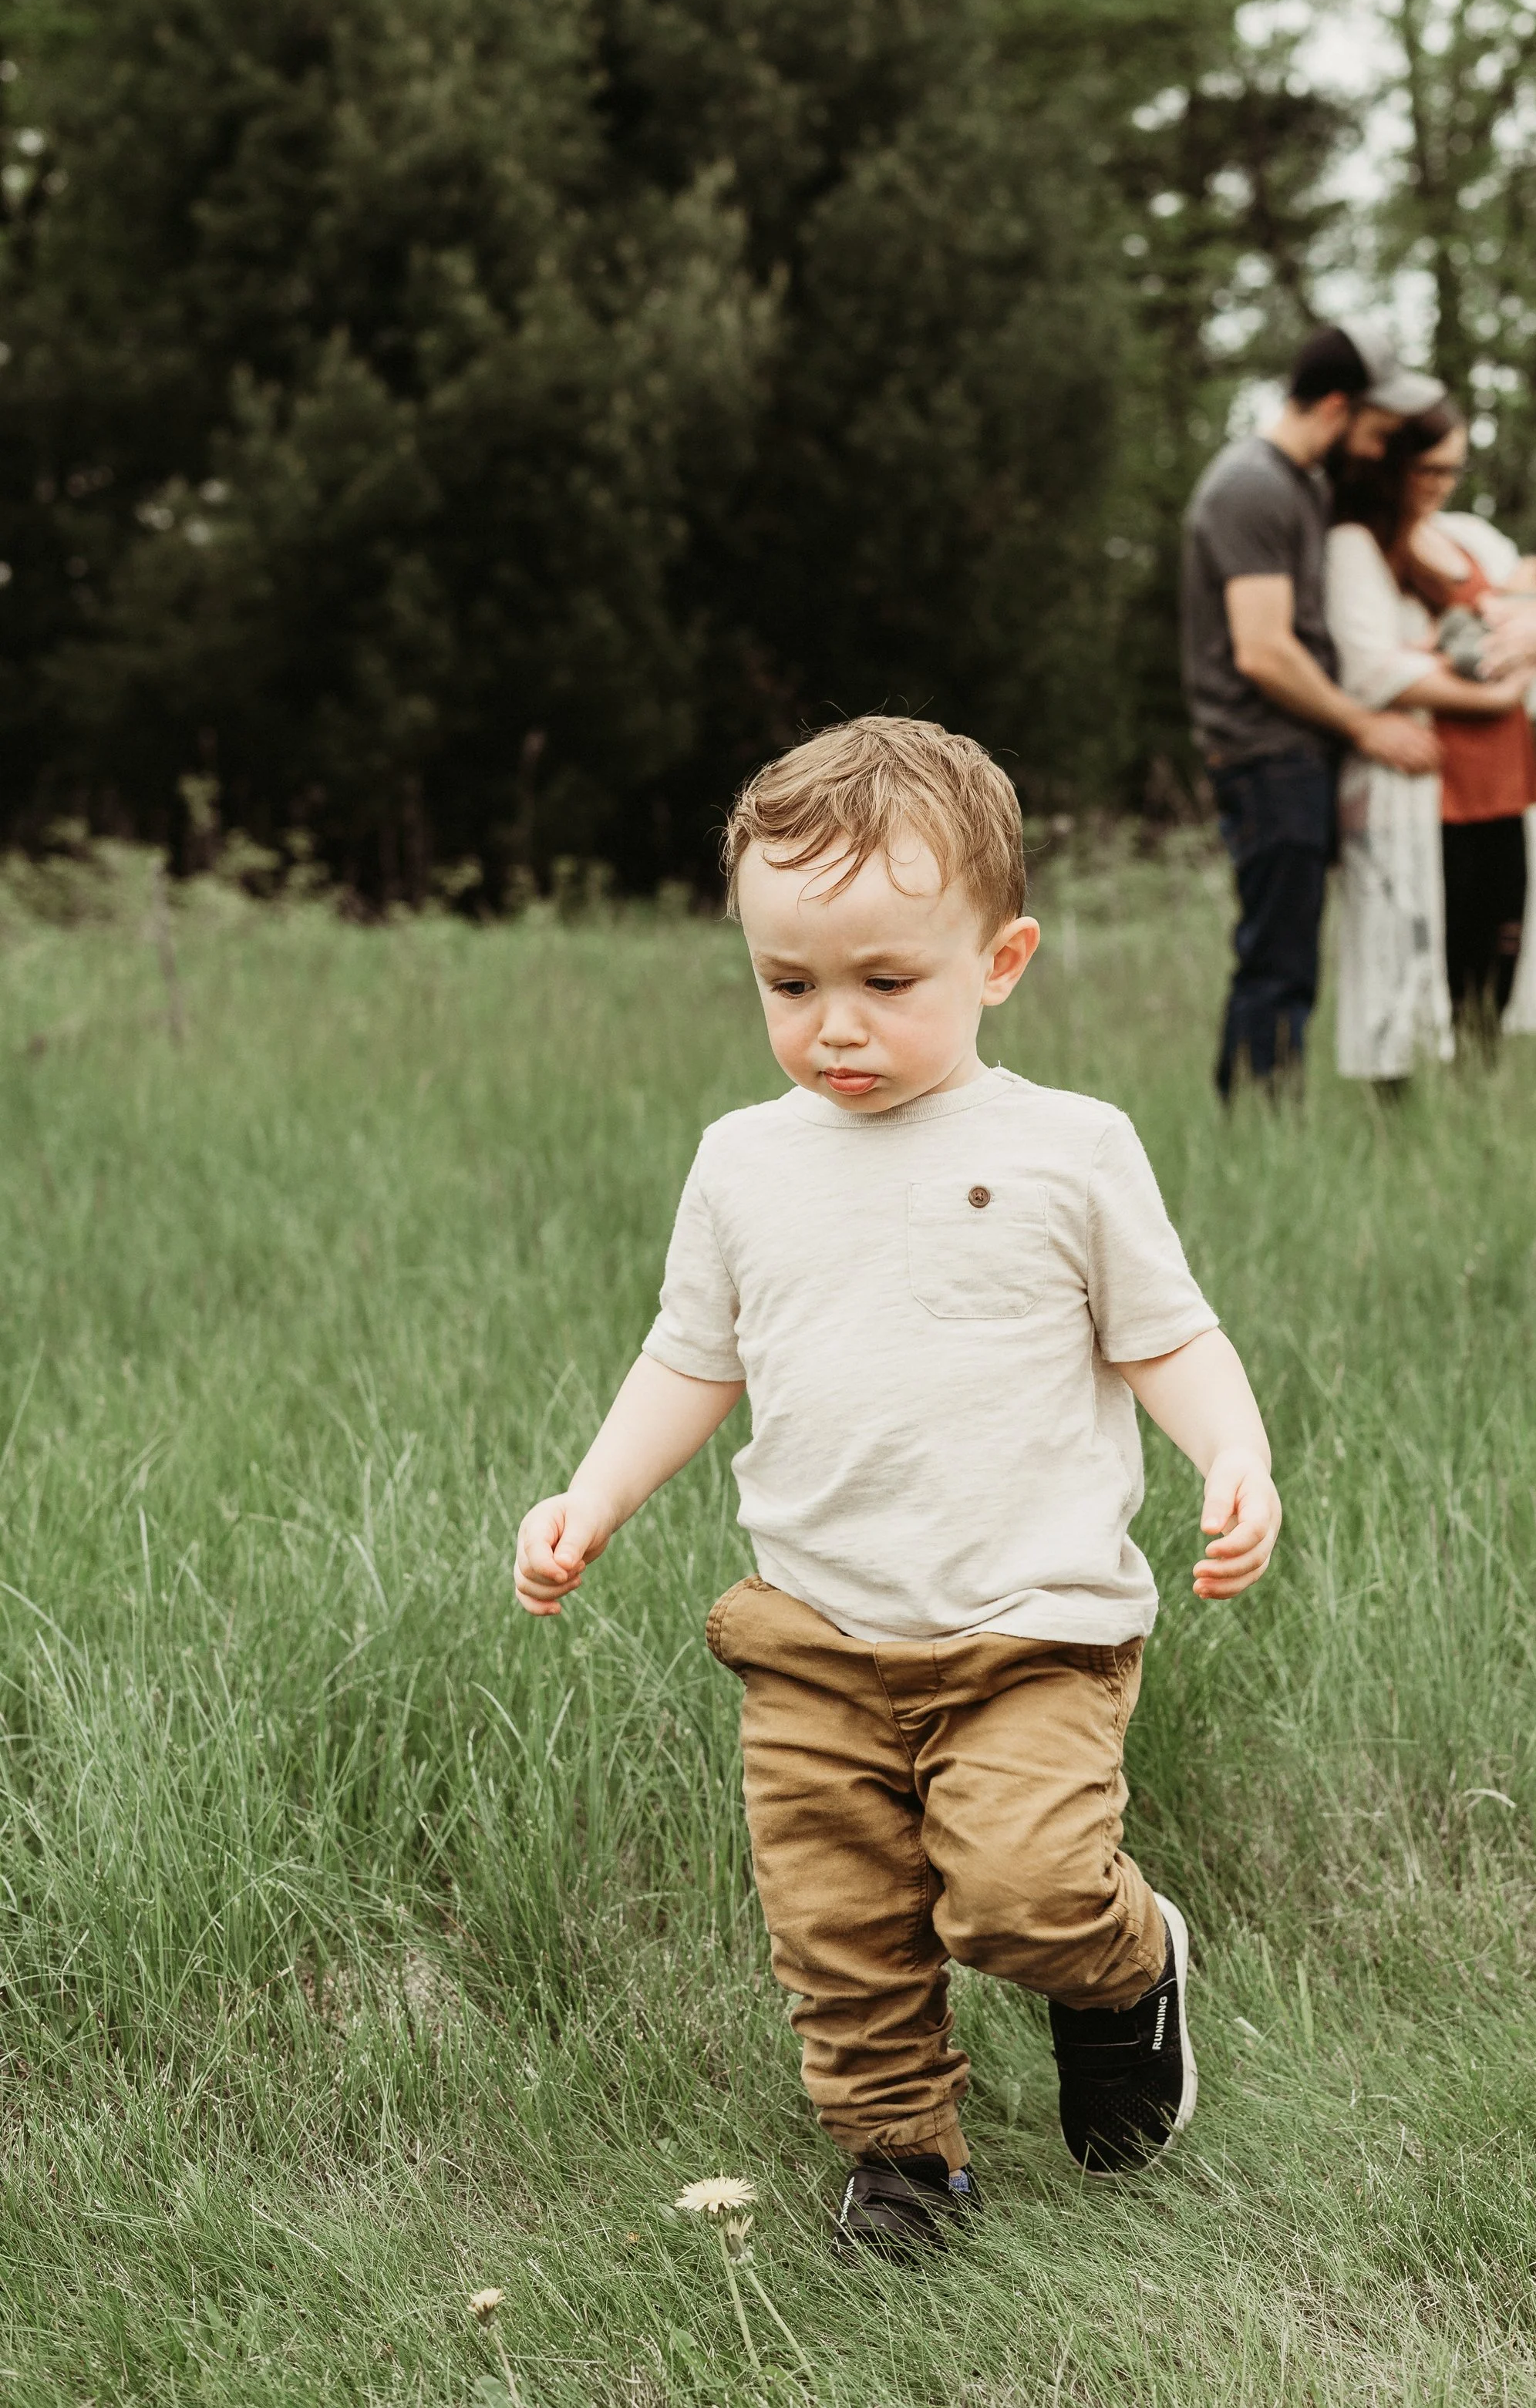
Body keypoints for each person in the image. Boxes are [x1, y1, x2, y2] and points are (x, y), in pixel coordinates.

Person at [512, 716, 1283, 2259]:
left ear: (999, 959)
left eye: (884, 981)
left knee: (1022, 1888)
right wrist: (589, 1497)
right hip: (813, 1631)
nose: (833, 1025)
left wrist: (1231, 1452)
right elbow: (689, 1358)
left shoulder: (1070, 1147)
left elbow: (1164, 1330)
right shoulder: (742, 1162)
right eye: (788, 984)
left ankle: (1122, 1973)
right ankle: (903, 2160)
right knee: (840, 1929)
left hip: (1029, 1624)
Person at [1177, 320, 1445, 1104]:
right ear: (1336, 407)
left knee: (1294, 954)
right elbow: (1263, 649)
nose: (1377, 445)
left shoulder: (1301, 485)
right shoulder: (1250, 486)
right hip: (1265, 756)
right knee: (1277, 958)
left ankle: (1272, 1122)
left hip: (1297, 755)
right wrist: (1366, 725)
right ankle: (1258, 1133)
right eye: (1376, 426)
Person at [1325, 402, 1536, 1084]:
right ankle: (1398, 1129)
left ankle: (1476, 1105)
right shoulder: (1356, 544)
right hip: (1423, 788)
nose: (1440, 481)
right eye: (1427, 467)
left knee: (1495, 961)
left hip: (1507, 781)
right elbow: (1371, 668)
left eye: (1453, 467)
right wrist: (1492, 690)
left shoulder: (1473, 538)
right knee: (1412, 956)